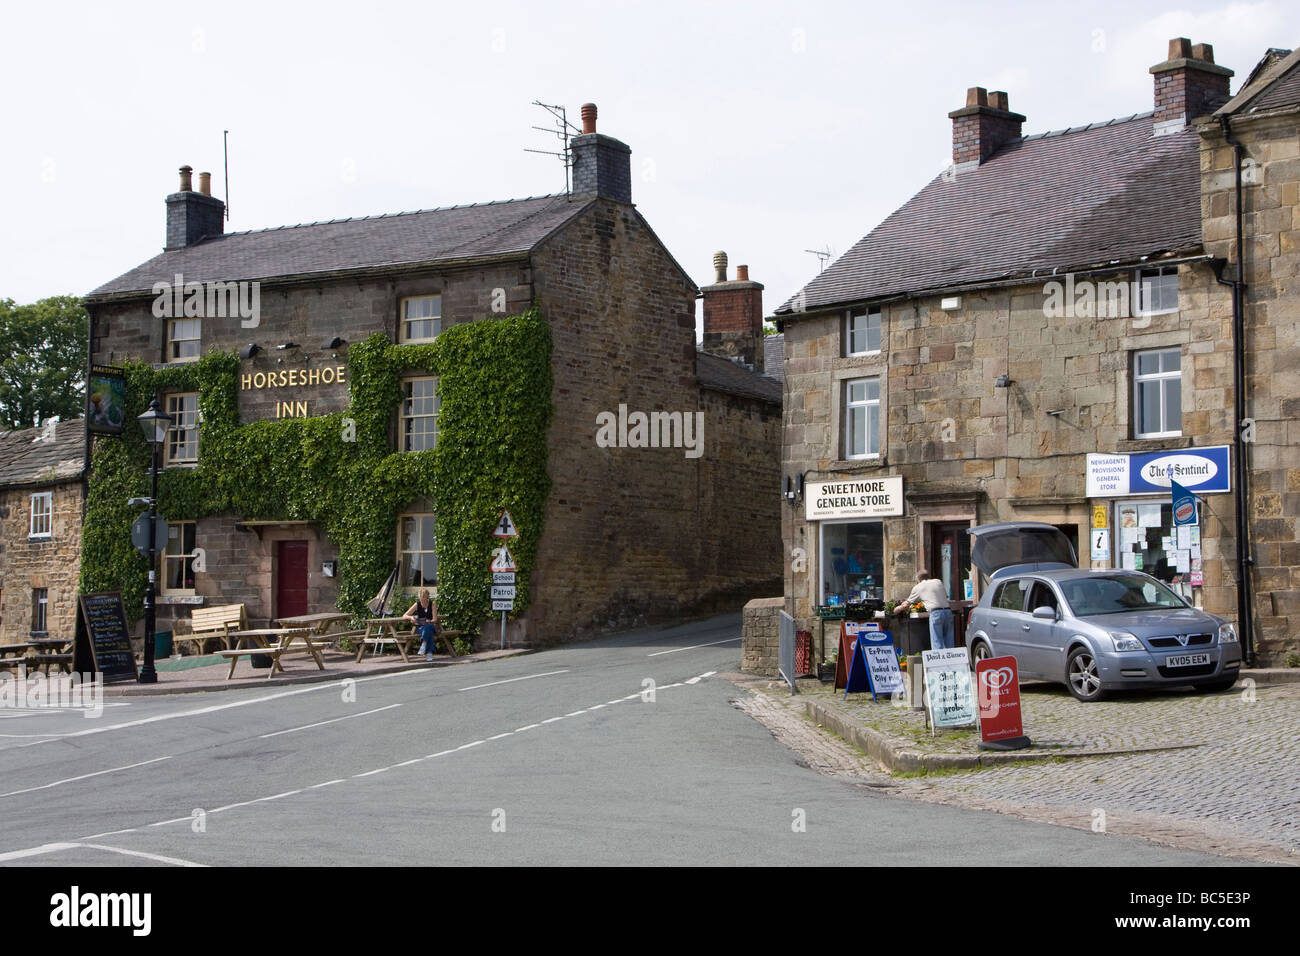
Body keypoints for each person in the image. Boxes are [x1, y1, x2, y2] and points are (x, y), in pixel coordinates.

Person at [894, 570, 954, 650]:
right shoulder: (938, 582)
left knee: (937, 642)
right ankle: (951, 661)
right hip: (948, 612)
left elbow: (906, 604)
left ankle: (938, 661)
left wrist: (897, 609)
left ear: (918, 579)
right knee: (949, 642)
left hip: (935, 613)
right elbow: (945, 596)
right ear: (928, 577)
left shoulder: (918, 587)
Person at [402, 588, 439, 662]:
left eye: (424, 598)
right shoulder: (417, 604)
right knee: (428, 632)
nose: (422, 600)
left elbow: (435, 619)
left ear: (427, 597)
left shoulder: (432, 604)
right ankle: (429, 653)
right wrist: (411, 617)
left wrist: (429, 621)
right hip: (420, 627)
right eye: (421, 598)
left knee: (428, 627)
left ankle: (424, 644)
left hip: (431, 625)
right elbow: (404, 615)